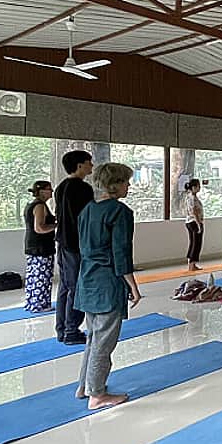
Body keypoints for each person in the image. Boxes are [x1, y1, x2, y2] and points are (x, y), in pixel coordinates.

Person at [75, 162, 142, 410]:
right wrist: (133, 286)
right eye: (126, 182)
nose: (128, 187)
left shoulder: (87, 210)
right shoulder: (119, 212)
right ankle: (97, 394)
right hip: (106, 283)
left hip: (87, 279)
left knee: (93, 337)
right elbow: (121, 253)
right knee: (103, 342)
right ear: (115, 184)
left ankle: (85, 386)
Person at [54, 150, 94, 345]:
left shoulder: (61, 187)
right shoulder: (82, 188)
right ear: (79, 165)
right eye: (89, 162)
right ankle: (71, 330)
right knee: (77, 287)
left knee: (65, 287)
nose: (91, 166)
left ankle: (62, 329)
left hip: (62, 242)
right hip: (76, 244)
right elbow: (86, 218)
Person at [23, 180, 57, 313]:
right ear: (41, 191)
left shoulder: (32, 205)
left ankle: (32, 302)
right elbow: (40, 228)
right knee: (42, 277)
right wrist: (57, 225)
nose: (51, 191)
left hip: (32, 245)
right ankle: (40, 305)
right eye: (49, 189)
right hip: (41, 247)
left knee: (33, 275)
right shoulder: (40, 206)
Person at [181, 178, 204, 271]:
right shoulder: (192, 198)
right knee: (196, 243)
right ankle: (192, 264)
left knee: (193, 243)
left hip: (189, 222)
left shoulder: (189, 196)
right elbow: (194, 211)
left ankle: (191, 263)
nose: (199, 188)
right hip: (194, 222)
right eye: (198, 186)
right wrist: (199, 224)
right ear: (194, 187)